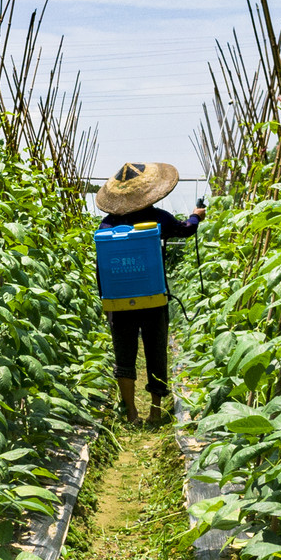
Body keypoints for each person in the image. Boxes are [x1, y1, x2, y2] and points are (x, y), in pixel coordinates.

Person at [94, 162, 203, 424]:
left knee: (124, 354)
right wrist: (196, 215)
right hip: (153, 296)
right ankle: (155, 411)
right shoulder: (158, 218)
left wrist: (106, 303)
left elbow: (103, 268)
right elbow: (186, 229)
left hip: (119, 302)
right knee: (156, 351)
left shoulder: (106, 226)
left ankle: (131, 412)